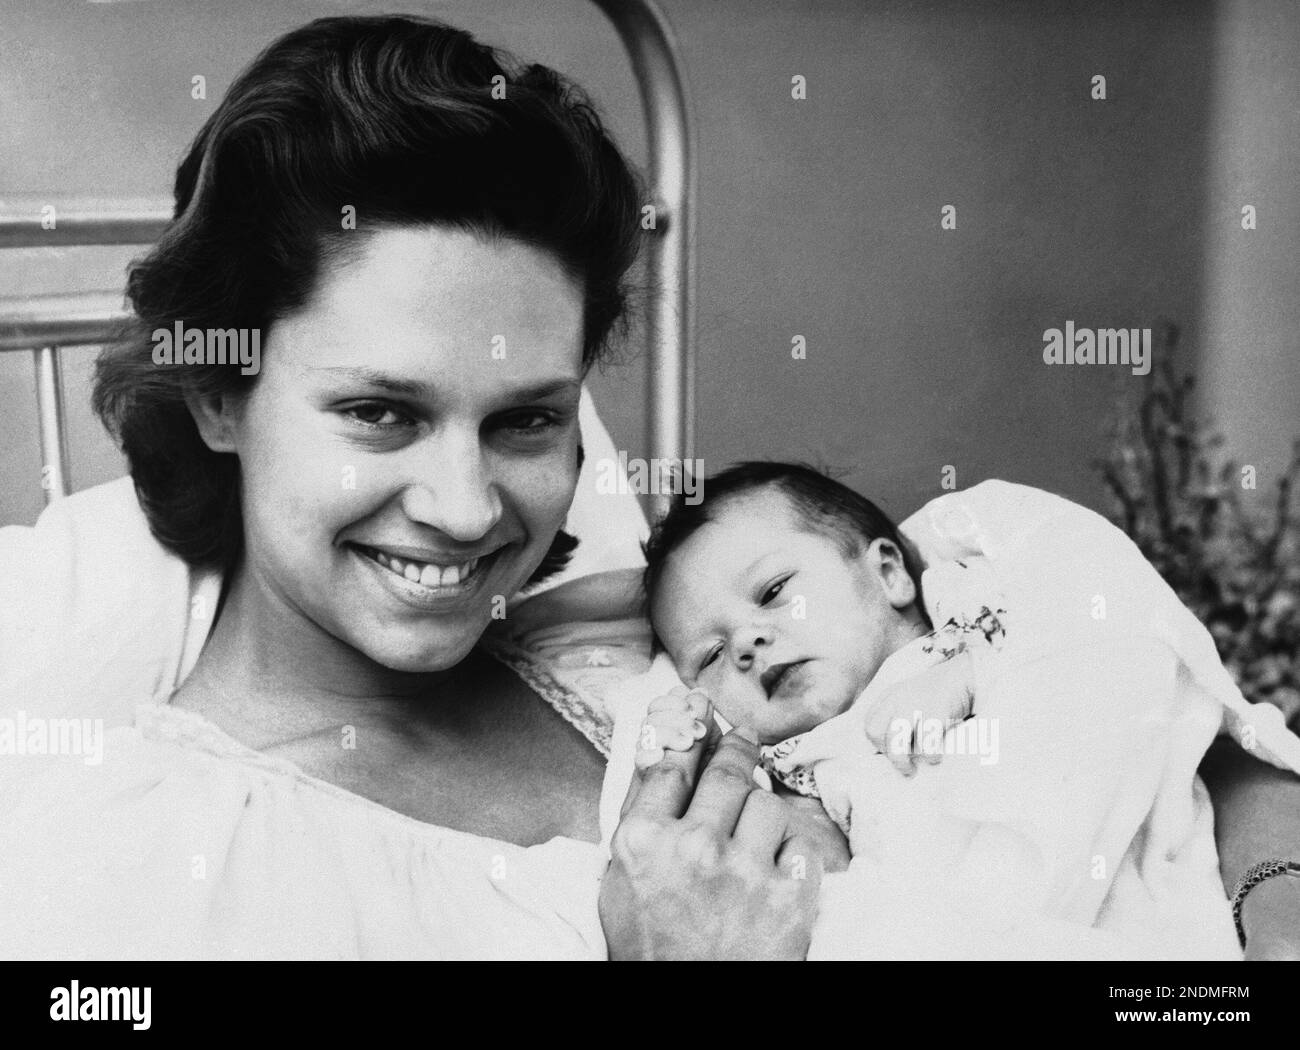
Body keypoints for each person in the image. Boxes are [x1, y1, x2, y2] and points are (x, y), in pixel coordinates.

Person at [0, 14, 845, 960]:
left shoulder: (638, 656)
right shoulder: (150, 874)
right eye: (379, 413)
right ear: (216, 397)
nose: (468, 509)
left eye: (525, 420)